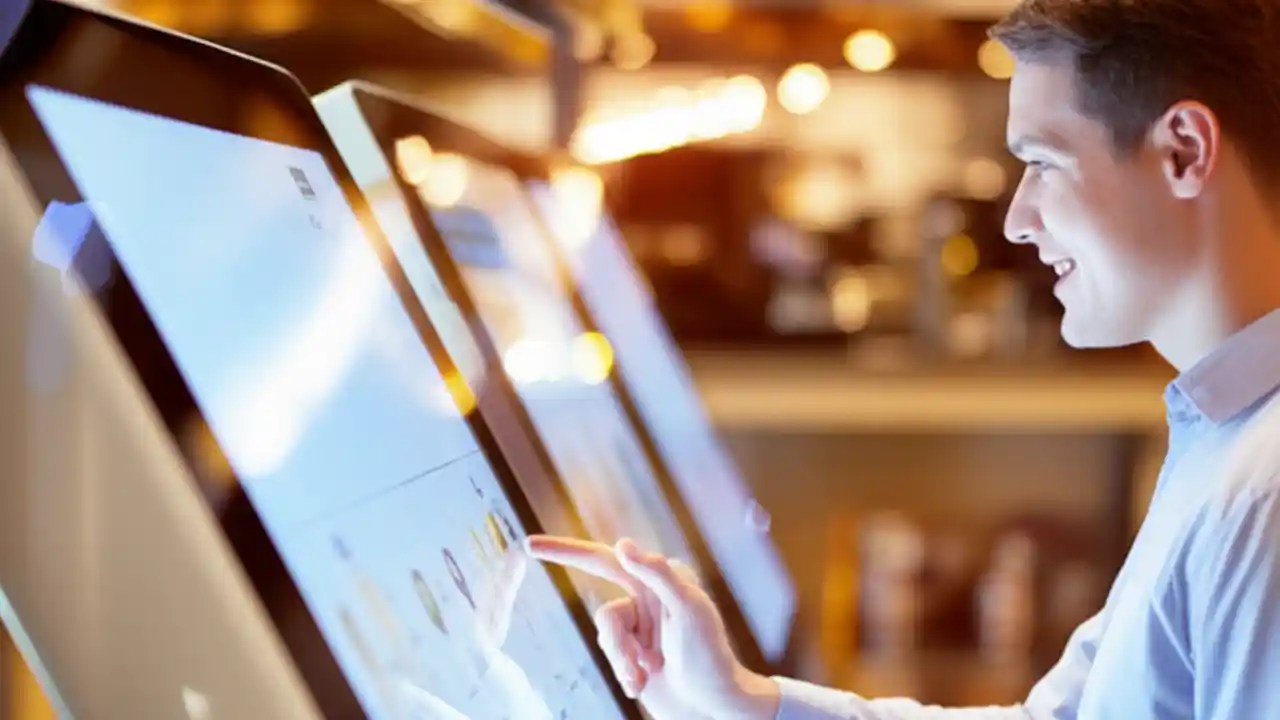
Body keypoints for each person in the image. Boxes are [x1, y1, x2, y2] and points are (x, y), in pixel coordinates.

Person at [529, 0, 1280, 717]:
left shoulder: (1262, 492)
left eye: (1044, 164)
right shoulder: (1222, 438)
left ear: (1184, 150)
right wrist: (747, 706)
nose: (1018, 221)